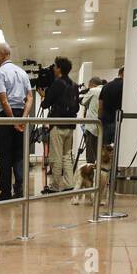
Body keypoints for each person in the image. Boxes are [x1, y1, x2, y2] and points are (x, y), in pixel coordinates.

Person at [0, 41, 32, 201]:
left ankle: (6, 192)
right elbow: (29, 97)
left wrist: (13, 121)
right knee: (19, 155)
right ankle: (20, 190)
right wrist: (23, 118)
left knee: (5, 156)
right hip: (21, 115)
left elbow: (4, 100)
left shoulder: (0, 73)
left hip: (7, 117)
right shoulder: (22, 73)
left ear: (3, 55)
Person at [42, 56, 78, 193]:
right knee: (67, 156)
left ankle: (55, 186)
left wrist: (44, 95)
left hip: (57, 124)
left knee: (56, 157)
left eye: (55, 66)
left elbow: (46, 104)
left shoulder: (57, 84)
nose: (53, 69)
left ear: (59, 69)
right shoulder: (74, 85)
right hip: (70, 125)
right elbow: (77, 108)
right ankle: (69, 184)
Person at [98, 67, 124, 148]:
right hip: (118, 121)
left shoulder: (106, 86)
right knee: (116, 147)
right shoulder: (125, 86)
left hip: (105, 120)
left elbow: (100, 104)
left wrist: (99, 118)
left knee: (105, 147)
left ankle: (104, 161)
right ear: (123, 73)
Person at [80, 76, 103, 164]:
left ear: (93, 84)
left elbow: (83, 102)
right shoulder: (105, 89)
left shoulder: (93, 91)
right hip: (101, 125)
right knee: (99, 151)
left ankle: (90, 173)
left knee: (90, 153)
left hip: (91, 126)